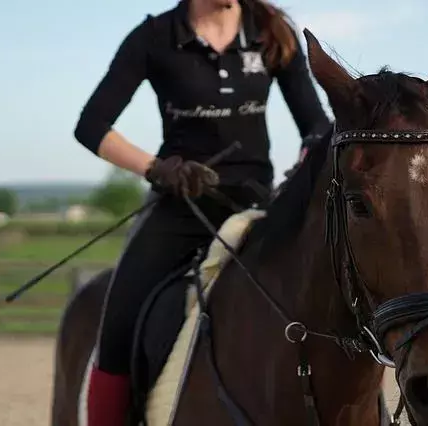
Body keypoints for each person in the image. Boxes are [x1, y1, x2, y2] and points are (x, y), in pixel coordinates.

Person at [73, 0, 331, 424]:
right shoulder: (154, 36)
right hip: (180, 204)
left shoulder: (271, 32)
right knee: (118, 320)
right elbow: (91, 125)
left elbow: (316, 126)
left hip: (254, 204)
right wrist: (157, 168)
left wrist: (308, 157)